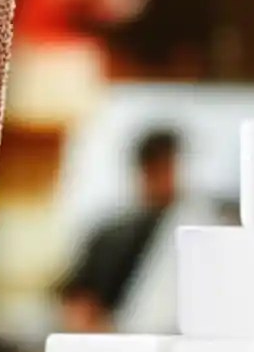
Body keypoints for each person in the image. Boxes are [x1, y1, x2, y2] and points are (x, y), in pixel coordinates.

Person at [59, 128, 187, 333]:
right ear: (144, 171)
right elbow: (78, 302)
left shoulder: (193, 233)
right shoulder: (110, 236)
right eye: (160, 169)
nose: (168, 178)